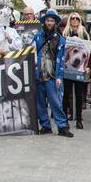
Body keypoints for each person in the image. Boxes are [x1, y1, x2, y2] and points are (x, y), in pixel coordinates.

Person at [33, 8, 72, 137]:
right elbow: (31, 53)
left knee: (56, 102)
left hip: (52, 76)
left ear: (55, 23)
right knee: (40, 103)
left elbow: (61, 60)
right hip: (39, 75)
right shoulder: (37, 36)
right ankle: (45, 125)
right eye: (48, 20)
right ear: (44, 22)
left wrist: (59, 76)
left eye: (52, 21)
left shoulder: (61, 40)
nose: (49, 23)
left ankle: (62, 126)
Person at [61, 13, 89, 128]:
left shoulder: (84, 34)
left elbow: (88, 51)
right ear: (69, 20)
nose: (75, 20)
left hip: (80, 70)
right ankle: (64, 119)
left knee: (79, 95)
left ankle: (79, 119)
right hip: (67, 68)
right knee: (66, 95)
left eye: (77, 18)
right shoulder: (64, 33)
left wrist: (88, 66)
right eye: (72, 18)